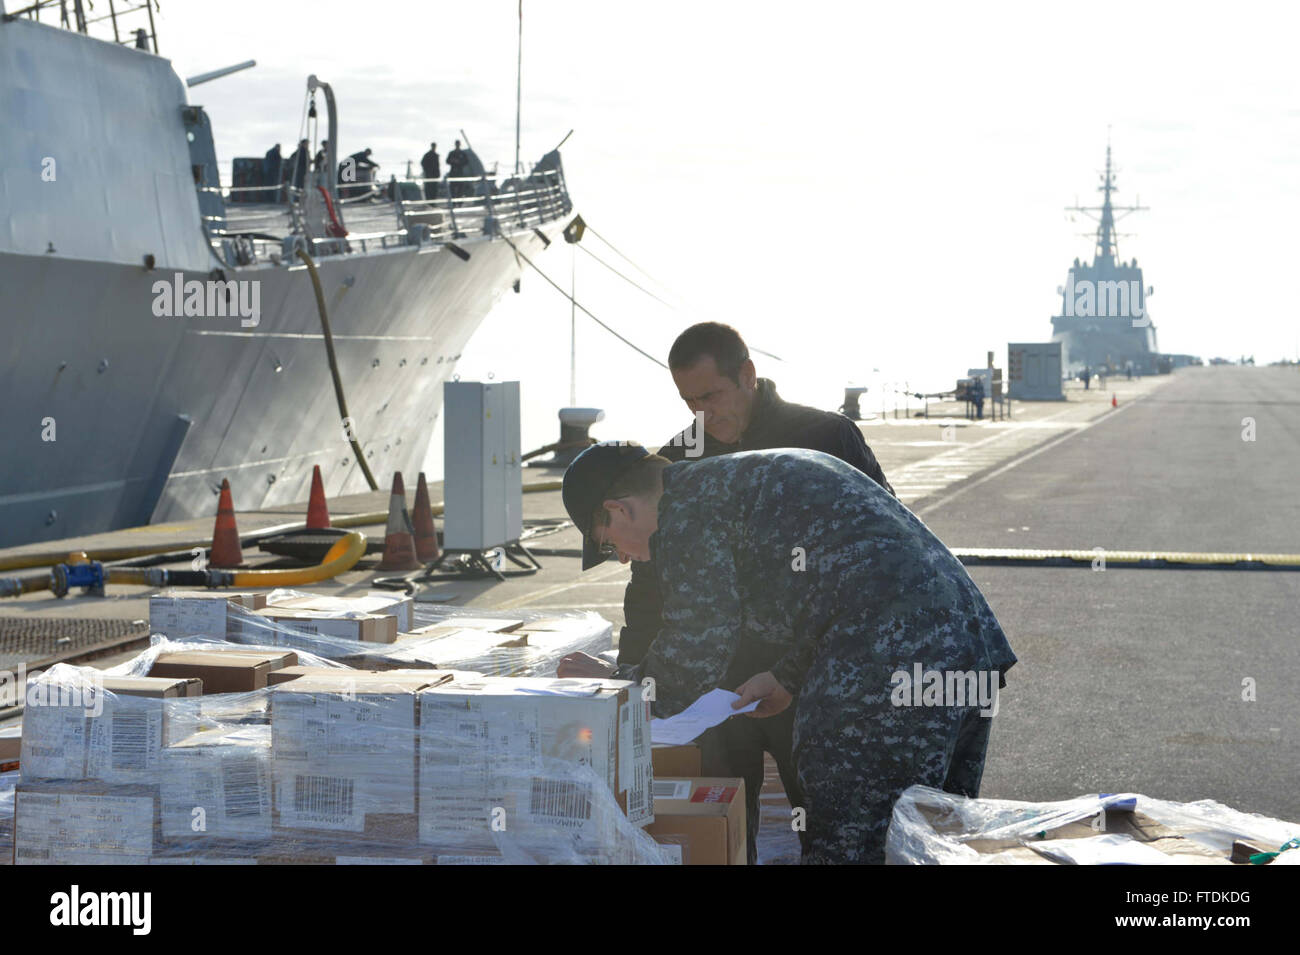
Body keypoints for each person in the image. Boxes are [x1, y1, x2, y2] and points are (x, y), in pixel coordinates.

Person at [557, 443, 1017, 864]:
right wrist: (786, 676)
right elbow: (850, 582)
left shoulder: (684, 512)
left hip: (887, 667)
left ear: (618, 509)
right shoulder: (739, 481)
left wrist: (620, 690)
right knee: (934, 842)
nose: (621, 558)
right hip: (963, 649)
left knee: (852, 848)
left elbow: (697, 642)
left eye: (608, 542)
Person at [618, 321, 894, 863]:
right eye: (688, 401)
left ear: (747, 375)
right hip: (718, 692)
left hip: (813, 677)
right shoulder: (680, 456)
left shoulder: (825, 437)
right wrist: (631, 680)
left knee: (833, 833)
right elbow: (651, 579)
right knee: (722, 834)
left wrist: (801, 670)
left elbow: (881, 546)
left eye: (711, 396)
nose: (703, 414)